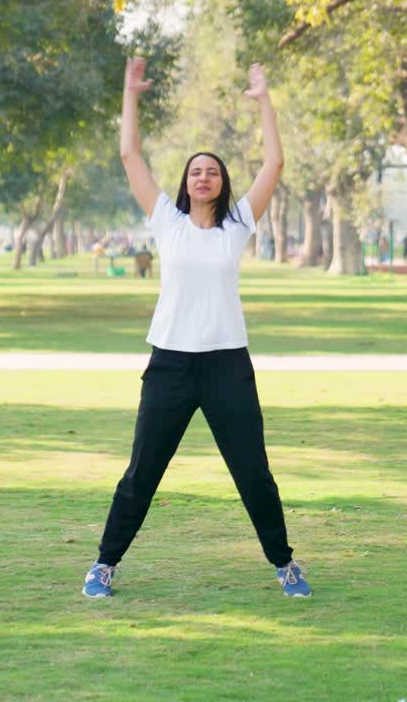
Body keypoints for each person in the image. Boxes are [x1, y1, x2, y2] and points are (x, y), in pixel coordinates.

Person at [83, 57, 309, 600]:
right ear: (186, 183)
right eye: (194, 170)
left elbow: (275, 162)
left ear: (222, 181)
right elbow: (128, 154)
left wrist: (263, 100)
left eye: (211, 170)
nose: (202, 176)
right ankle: (103, 565)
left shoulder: (237, 225)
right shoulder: (167, 221)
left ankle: (285, 565)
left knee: (253, 473)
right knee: (142, 473)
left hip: (227, 365)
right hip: (170, 365)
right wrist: (129, 91)